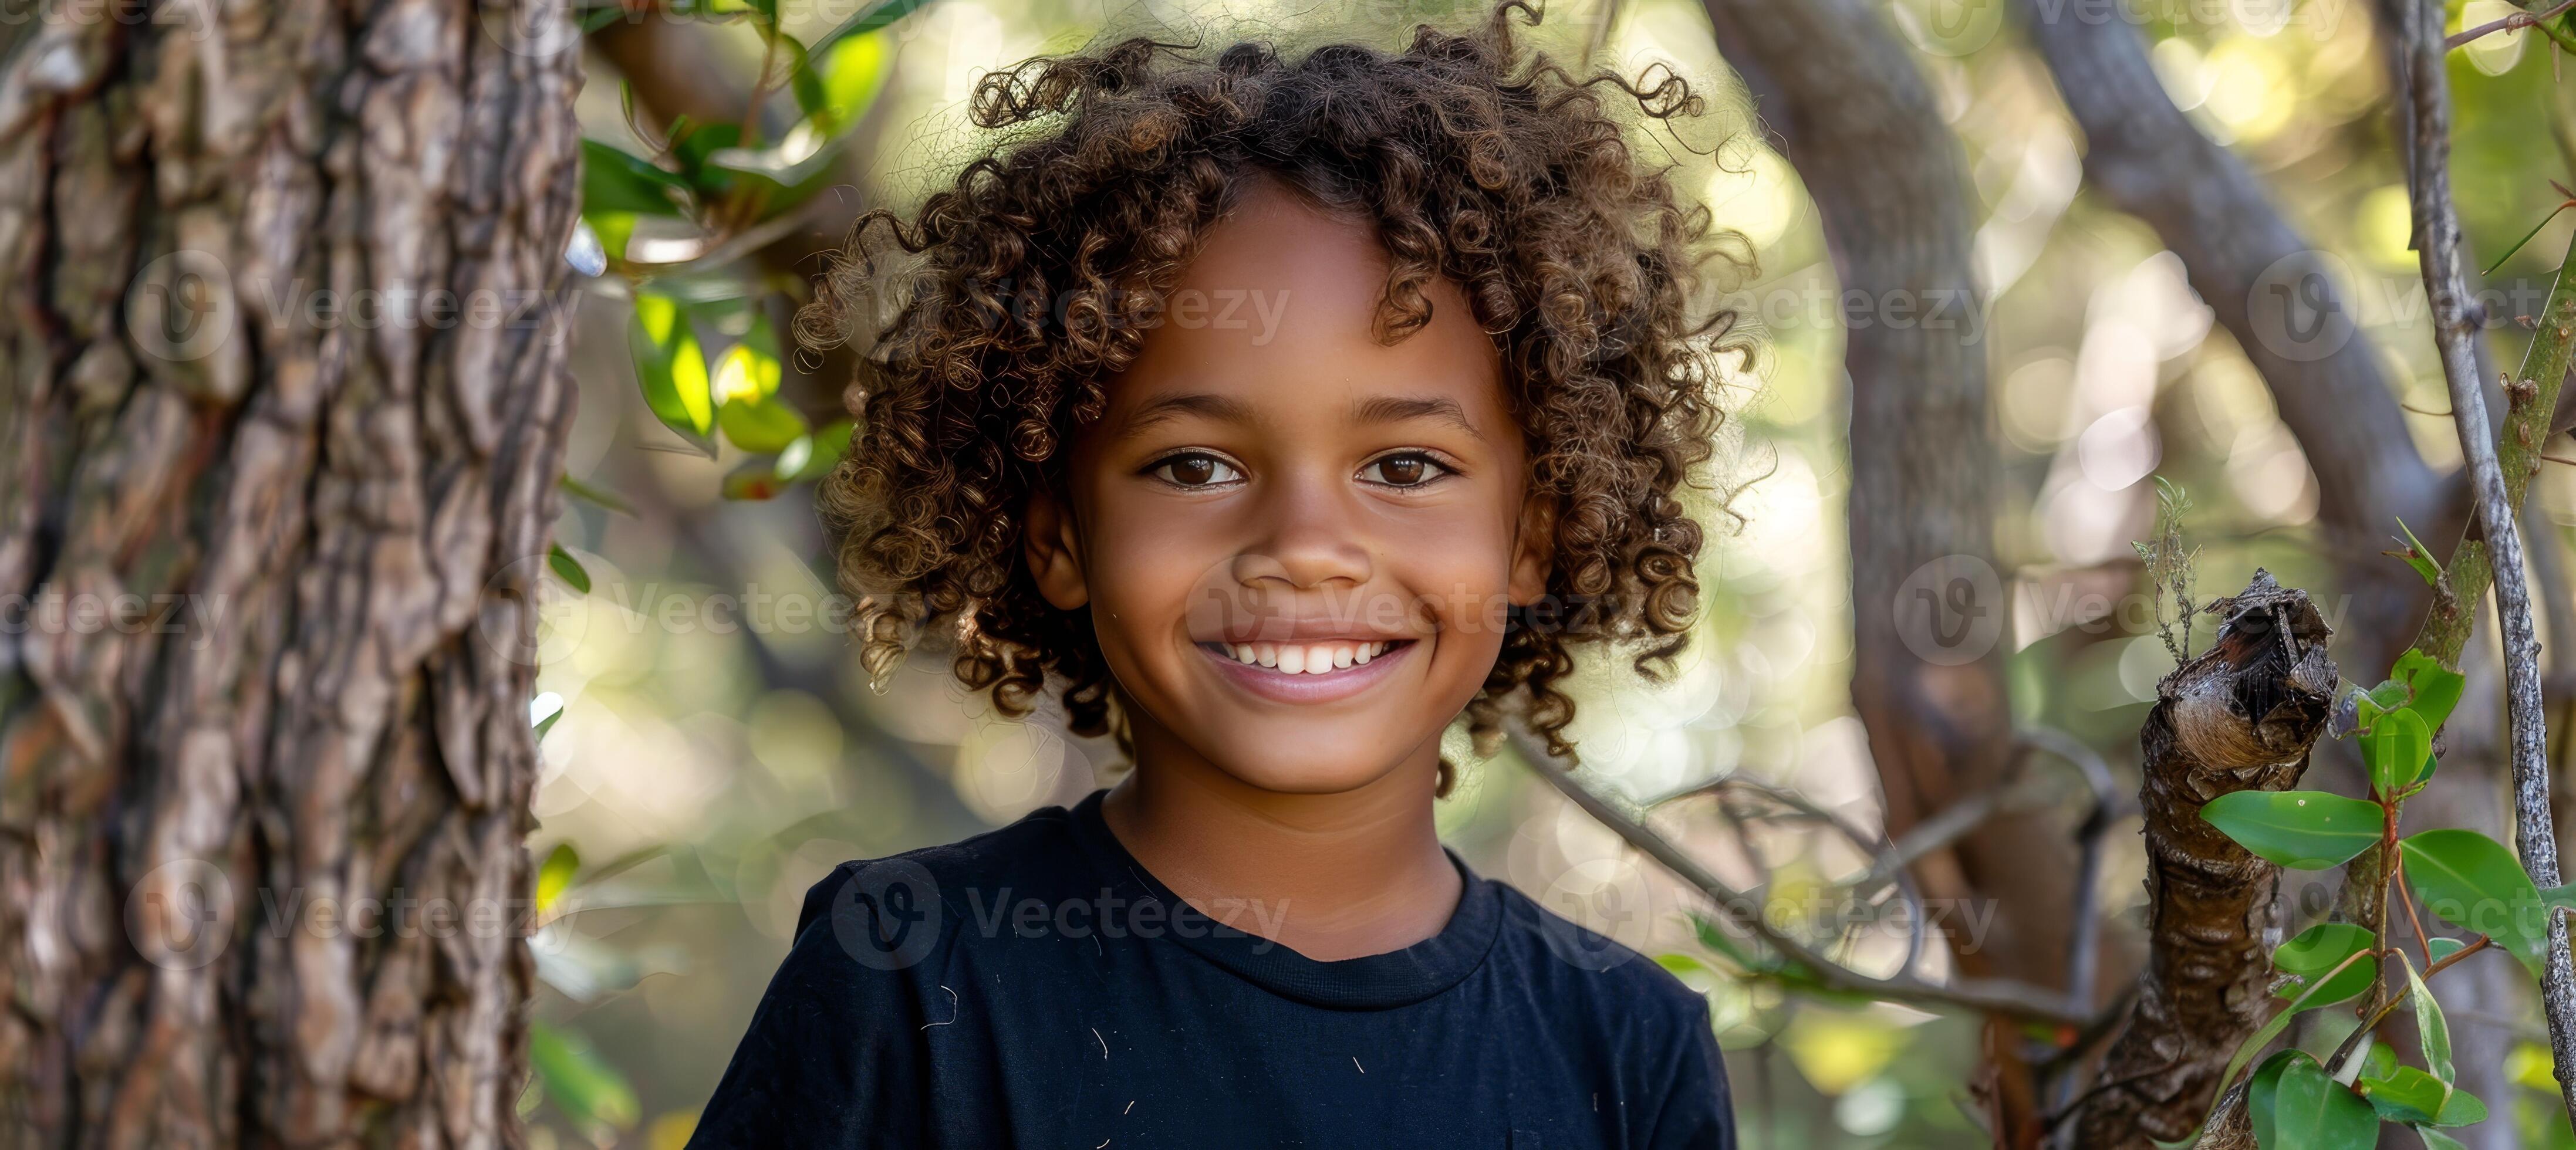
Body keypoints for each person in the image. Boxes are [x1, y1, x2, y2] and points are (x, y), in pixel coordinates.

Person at [689, 3, 1748, 1144]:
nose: (1301, 543)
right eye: (1193, 464)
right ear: (1055, 533)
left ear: (1532, 533)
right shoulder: (903, 973)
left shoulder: (1626, 1049)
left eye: (1403, 463)